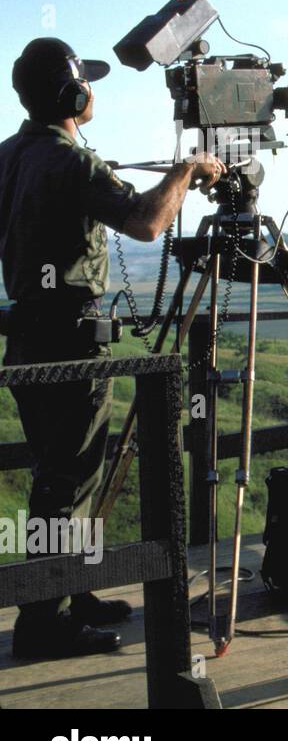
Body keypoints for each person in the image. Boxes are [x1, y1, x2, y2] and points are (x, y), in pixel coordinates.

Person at [1, 37, 224, 658]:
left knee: (60, 475)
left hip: (26, 338)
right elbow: (148, 224)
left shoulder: (11, 155)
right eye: (87, 84)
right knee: (64, 485)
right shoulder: (74, 163)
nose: (93, 92)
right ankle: (42, 622)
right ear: (73, 94)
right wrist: (188, 170)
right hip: (71, 342)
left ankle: (70, 591)